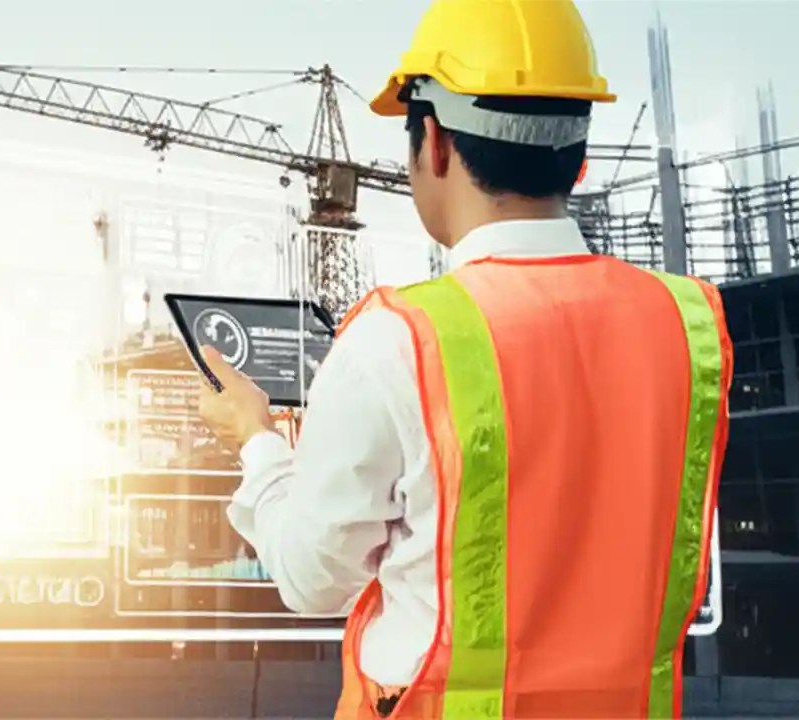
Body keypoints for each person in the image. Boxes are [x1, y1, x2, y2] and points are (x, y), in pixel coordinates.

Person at [196, 1, 732, 717]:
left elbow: (310, 576)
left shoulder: (398, 341)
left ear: (436, 143)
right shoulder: (685, 325)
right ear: (578, 155)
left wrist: (257, 440)